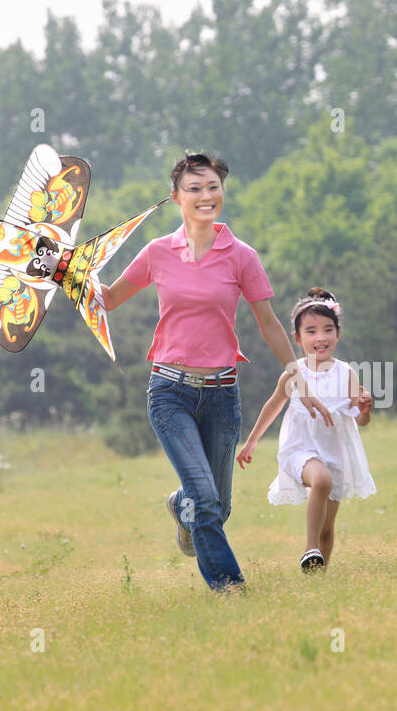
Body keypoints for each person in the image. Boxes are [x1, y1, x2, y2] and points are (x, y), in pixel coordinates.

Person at [100, 152, 333, 591]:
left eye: (213, 188)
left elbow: (268, 323)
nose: (206, 196)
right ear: (176, 198)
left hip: (222, 396)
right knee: (205, 499)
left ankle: (181, 506)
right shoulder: (157, 253)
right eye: (195, 189)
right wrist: (64, 274)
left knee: (217, 508)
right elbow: (109, 299)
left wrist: (300, 383)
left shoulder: (241, 256)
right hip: (170, 392)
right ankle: (230, 588)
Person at [236, 288, 375, 572]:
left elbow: (358, 421)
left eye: (327, 330)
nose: (320, 338)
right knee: (321, 482)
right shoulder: (293, 373)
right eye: (311, 331)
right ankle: (309, 548)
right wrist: (251, 443)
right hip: (301, 449)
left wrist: (364, 411)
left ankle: (317, 574)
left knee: (328, 528)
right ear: (297, 339)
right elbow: (273, 406)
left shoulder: (345, 373)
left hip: (335, 452)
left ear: (338, 334)